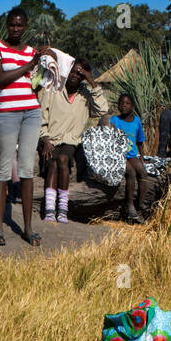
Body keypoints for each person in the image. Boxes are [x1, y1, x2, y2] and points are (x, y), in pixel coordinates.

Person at [0, 7, 43, 246]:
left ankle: (28, 229)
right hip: (7, 113)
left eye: (20, 25)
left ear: (26, 26)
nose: (16, 29)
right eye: (12, 25)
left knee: (27, 169)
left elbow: (33, 85)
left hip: (31, 112)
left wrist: (42, 70)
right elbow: (0, 79)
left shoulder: (32, 52)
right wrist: (30, 65)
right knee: (4, 168)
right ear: (6, 25)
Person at [37, 59, 107, 223]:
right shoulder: (54, 91)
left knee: (63, 159)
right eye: (73, 72)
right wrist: (45, 139)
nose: (75, 76)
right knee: (52, 163)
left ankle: (62, 208)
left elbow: (102, 109)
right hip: (49, 138)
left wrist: (91, 81)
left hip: (70, 141)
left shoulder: (85, 96)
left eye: (79, 73)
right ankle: (49, 209)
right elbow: (41, 117)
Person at [109, 93, 148, 223]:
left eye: (127, 103)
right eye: (121, 103)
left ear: (132, 106)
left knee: (142, 172)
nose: (123, 106)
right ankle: (130, 204)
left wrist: (142, 157)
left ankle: (141, 204)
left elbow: (140, 141)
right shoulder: (115, 120)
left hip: (132, 154)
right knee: (130, 172)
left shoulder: (136, 121)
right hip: (119, 155)